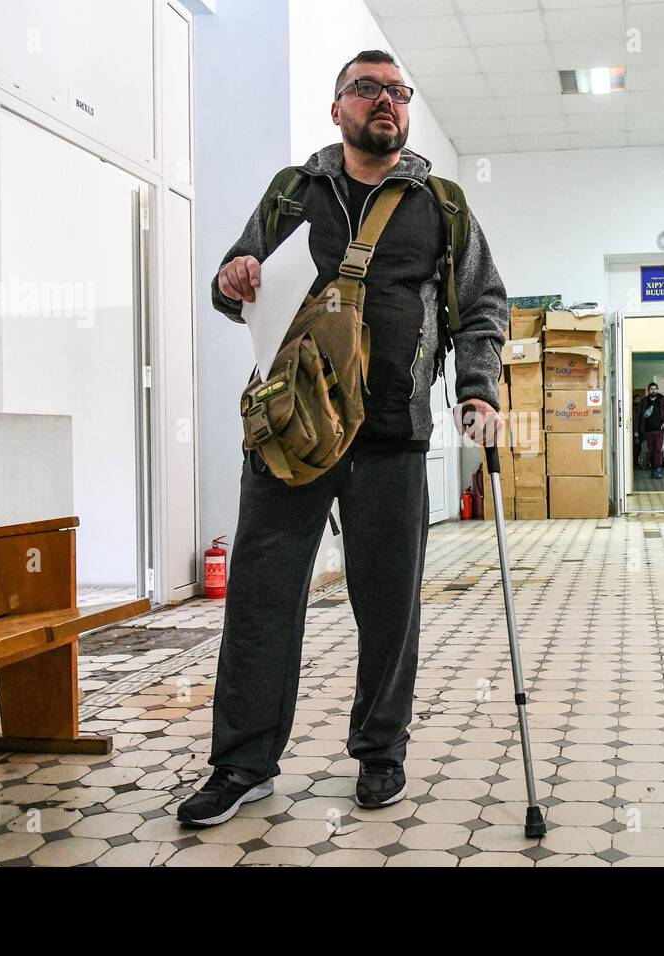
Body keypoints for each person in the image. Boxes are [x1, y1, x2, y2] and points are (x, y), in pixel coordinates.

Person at [177, 50, 508, 828]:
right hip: (290, 434)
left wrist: (477, 389)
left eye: (397, 92)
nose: (384, 102)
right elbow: (239, 278)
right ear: (338, 110)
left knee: (387, 605)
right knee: (261, 599)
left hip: (393, 435)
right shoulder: (295, 192)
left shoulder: (443, 205)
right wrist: (234, 279)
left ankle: (381, 751)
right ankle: (243, 766)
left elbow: (483, 303)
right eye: (367, 89)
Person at [638, 382, 664, 479]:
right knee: (651, 450)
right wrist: (638, 429)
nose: (653, 390)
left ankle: (658, 470)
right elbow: (639, 416)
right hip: (648, 431)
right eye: (651, 389)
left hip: (659, 430)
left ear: (657, 390)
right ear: (648, 390)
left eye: (655, 388)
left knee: (657, 450)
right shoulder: (644, 401)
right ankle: (653, 469)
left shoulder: (662, 401)